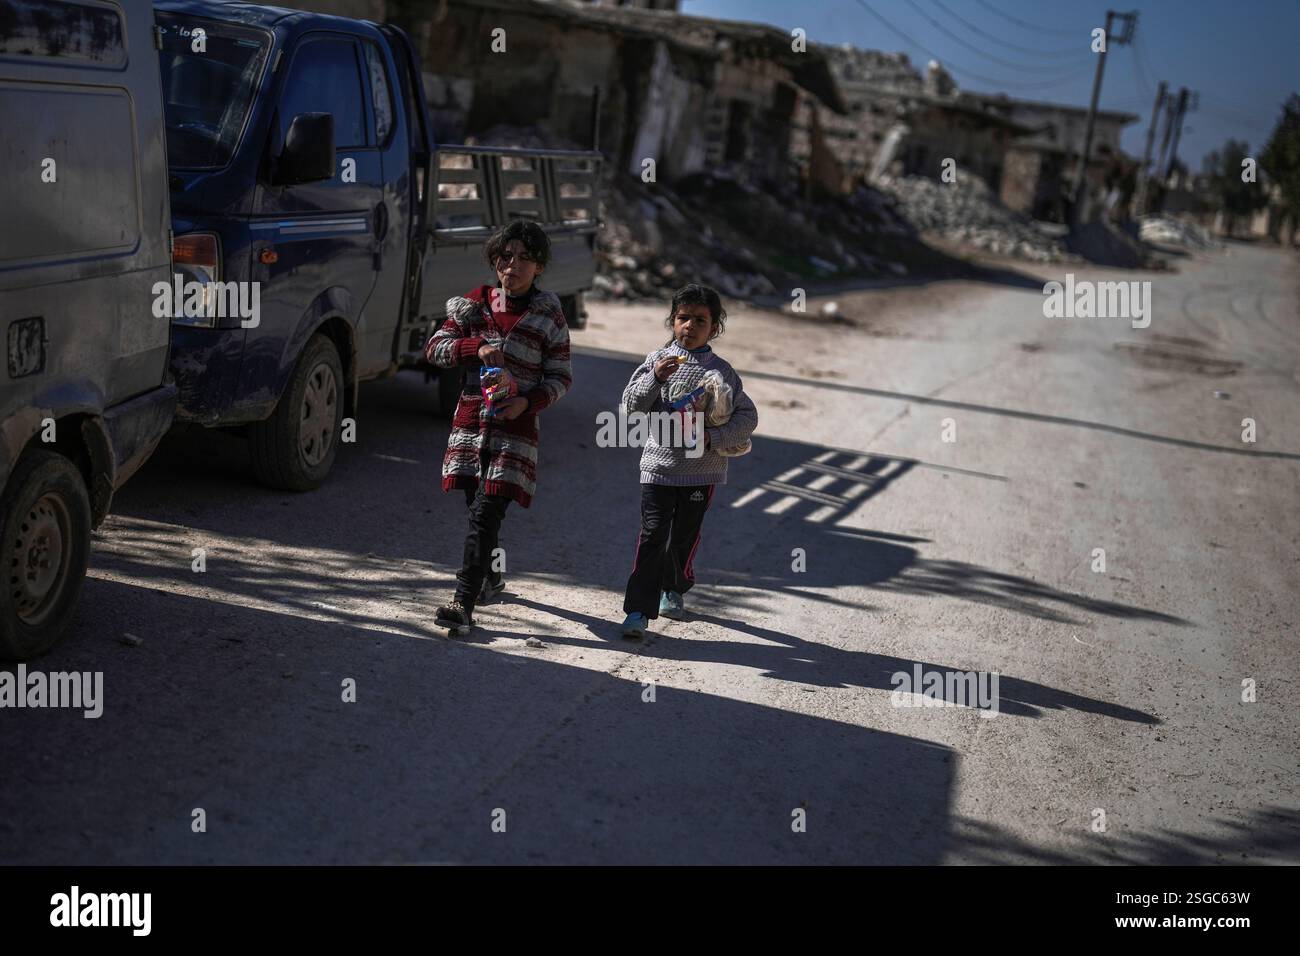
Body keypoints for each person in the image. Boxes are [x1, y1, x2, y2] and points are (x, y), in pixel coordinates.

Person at [423, 220, 572, 634]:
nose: (514, 265)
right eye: (506, 257)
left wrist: (528, 401)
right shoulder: (473, 306)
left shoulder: (549, 316)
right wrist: (475, 346)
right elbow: (434, 348)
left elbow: (561, 377)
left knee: (486, 514)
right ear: (494, 262)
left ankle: (463, 602)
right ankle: (490, 576)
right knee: (477, 509)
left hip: (516, 434)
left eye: (525, 258)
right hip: (471, 428)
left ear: (539, 267)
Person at [618, 283, 757, 638]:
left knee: (684, 536)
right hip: (658, 469)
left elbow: (747, 417)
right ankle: (637, 611)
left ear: (715, 327)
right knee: (652, 537)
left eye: (700, 320)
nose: (689, 326)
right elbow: (630, 406)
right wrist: (655, 378)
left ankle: (673, 589)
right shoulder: (656, 361)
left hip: (701, 472)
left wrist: (714, 437)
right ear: (672, 320)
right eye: (683, 318)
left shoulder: (722, 372)